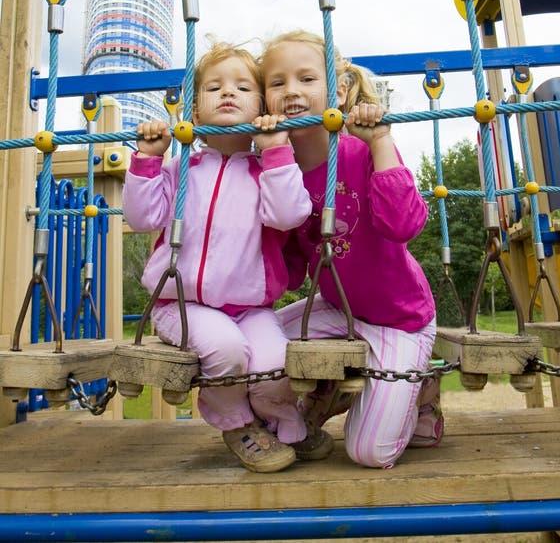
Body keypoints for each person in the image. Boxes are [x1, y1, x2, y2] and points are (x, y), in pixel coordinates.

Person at [122, 41, 320, 473]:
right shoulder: (180, 170)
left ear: (261, 109)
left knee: (275, 363)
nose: (228, 92)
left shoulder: (267, 171)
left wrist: (277, 150)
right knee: (227, 351)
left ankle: (279, 421)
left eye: (243, 87)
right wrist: (147, 160)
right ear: (194, 113)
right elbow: (141, 217)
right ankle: (238, 424)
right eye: (214, 87)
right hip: (181, 304)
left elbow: (289, 214)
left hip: (250, 308)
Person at [260, 29, 442, 469]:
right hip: (338, 310)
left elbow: (404, 225)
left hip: (400, 318)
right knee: (255, 350)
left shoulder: (363, 150)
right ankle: (329, 386)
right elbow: (291, 271)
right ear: (264, 99)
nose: (292, 91)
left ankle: (423, 390)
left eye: (307, 79)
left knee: (369, 453)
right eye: (278, 82)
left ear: (338, 91)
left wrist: (381, 142)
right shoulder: (277, 169)